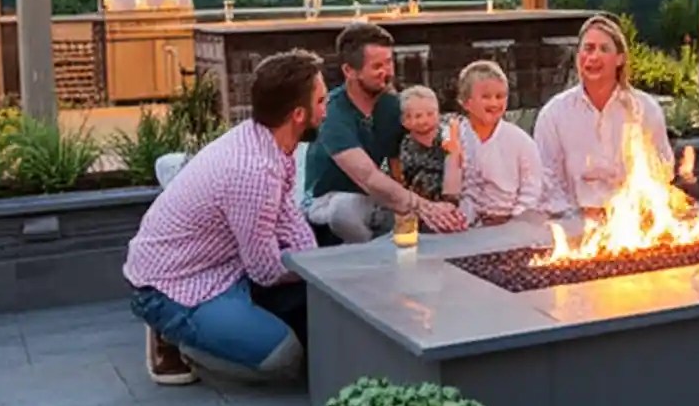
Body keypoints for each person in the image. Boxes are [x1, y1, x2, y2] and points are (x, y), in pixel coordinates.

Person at [123, 50, 326, 387]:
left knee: (308, 299)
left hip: (223, 266)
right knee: (284, 359)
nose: (326, 108)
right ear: (299, 114)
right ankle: (175, 337)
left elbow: (288, 219)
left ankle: (226, 325)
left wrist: (317, 268)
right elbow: (265, 270)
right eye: (321, 101)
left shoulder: (269, 142)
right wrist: (318, 272)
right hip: (172, 286)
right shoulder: (253, 170)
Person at [303, 23, 466, 244]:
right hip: (330, 201)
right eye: (377, 66)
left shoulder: (391, 105)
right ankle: (377, 254)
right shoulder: (332, 113)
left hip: (377, 199)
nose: (387, 73)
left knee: (447, 215)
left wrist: (447, 201)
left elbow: (421, 144)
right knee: (344, 210)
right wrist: (423, 206)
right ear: (349, 71)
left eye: (389, 63)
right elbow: (367, 176)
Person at [533, 14, 682, 218]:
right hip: (573, 226)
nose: (594, 57)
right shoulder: (554, 114)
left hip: (632, 223)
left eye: (604, 49)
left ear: (620, 59)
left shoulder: (644, 109)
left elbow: (662, 168)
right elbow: (546, 179)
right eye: (588, 48)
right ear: (578, 57)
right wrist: (574, 215)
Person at [453, 60, 544, 225]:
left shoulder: (520, 141)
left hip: (510, 219)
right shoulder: (456, 136)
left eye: (500, 96)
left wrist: (516, 220)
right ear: (466, 102)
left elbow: (532, 189)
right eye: (486, 97)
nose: (494, 103)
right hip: (466, 222)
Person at [392, 84, 464, 203]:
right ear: (404, 120)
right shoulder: (405, 145)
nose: (424, 120)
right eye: (417, 116)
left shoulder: (451, 129)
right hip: (426, 206)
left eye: (430, 114)